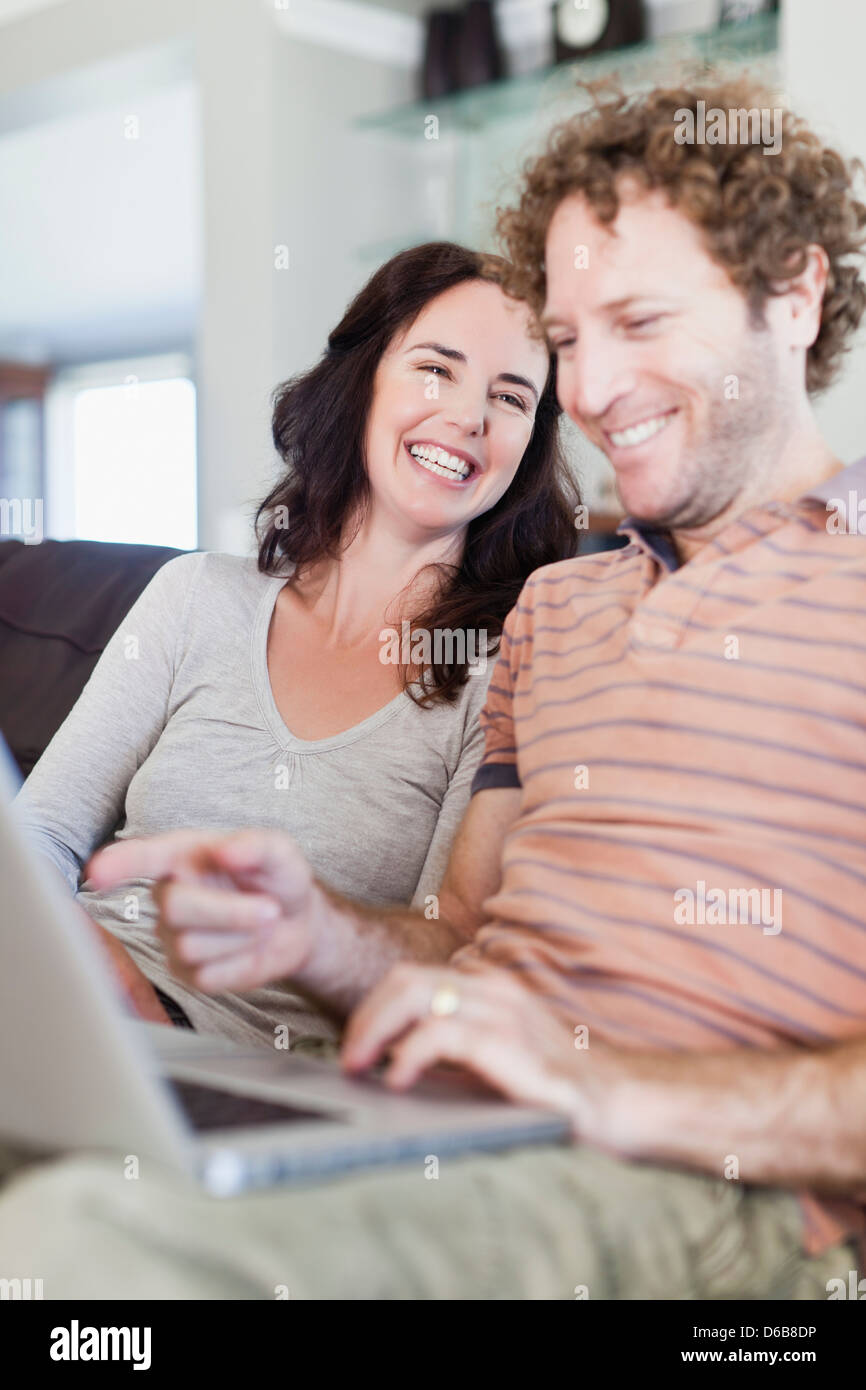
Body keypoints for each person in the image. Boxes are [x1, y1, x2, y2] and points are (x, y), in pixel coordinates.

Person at [3, 75, 865, 1300]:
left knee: (76, 1250)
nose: (596, 390)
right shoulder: (556, 616)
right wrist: (316, 934)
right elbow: (452, 943)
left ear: (794, 293)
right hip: (430, 1125)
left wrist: (597, 1080)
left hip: (691, 1186)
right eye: (571, 344)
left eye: (638, 322)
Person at [12, 241, 576, 1048]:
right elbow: (38, 837)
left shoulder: (504, 678)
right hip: (67, 1001)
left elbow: (448, 960)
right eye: (436, 368)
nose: (469, 416)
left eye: (512, 396)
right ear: (365, 378)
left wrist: (130, 1006)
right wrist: (87, 967)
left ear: (528, 443)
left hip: (231, 1063)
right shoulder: (195, 597)